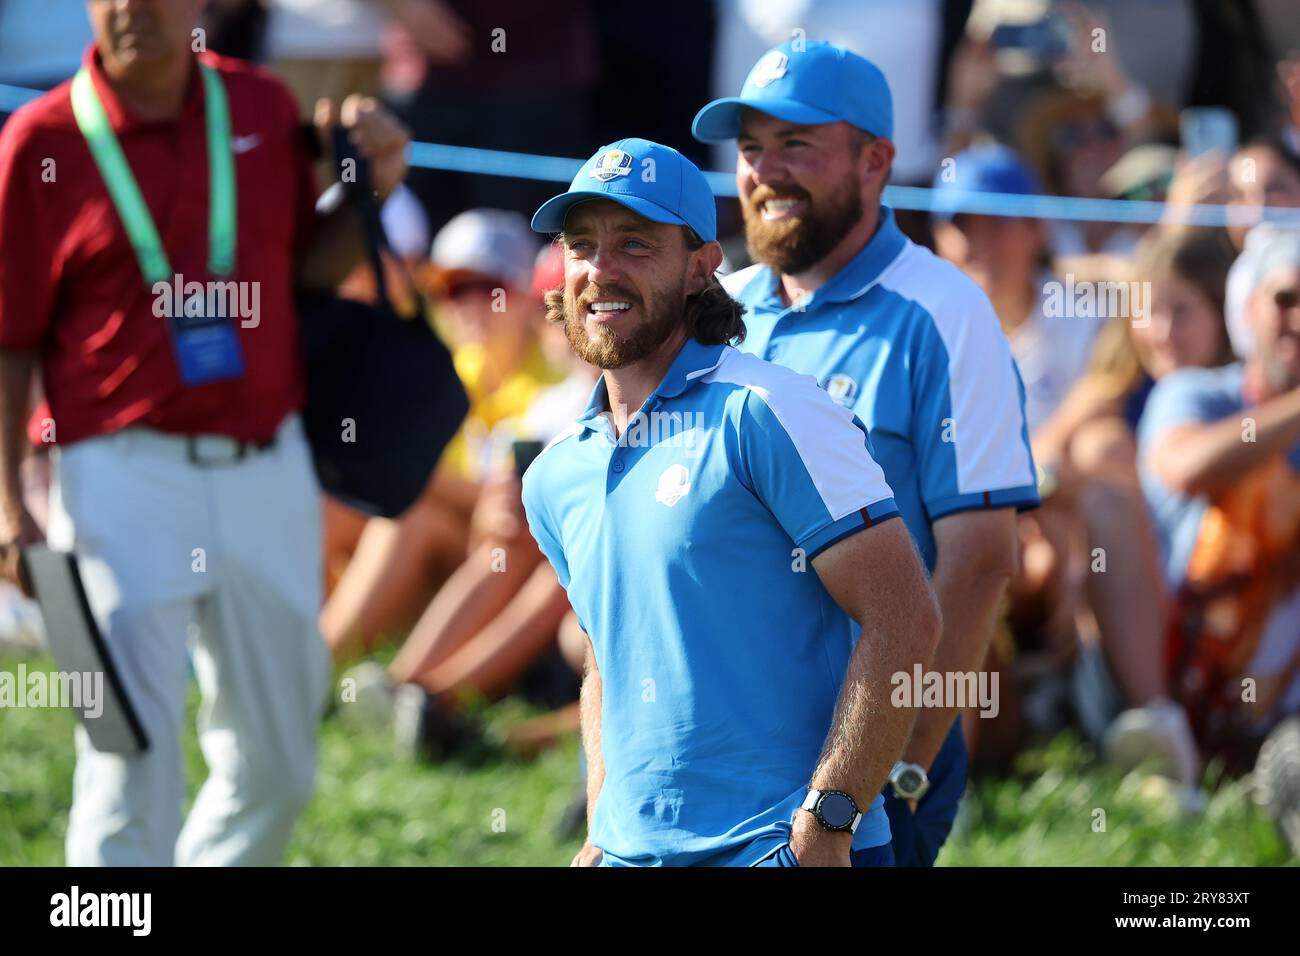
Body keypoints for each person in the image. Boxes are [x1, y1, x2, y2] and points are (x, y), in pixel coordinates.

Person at [0, 0, 409, 865]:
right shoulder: (38, 140)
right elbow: (8, 340)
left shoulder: (260, 104)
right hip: (110, 476)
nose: (131, 7)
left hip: (268, 464)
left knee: (279, 767)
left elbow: (305, 265)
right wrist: (6, 507)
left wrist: (374, 183)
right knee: (121, 766)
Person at [523, 138, 941, 867]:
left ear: (700, 267)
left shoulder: (771, 409)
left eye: (633, 244)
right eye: (581, 245)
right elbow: (604, 661)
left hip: (783, 850)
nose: (601, 269)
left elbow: (906, 617)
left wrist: (830, 817)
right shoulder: (554, 474)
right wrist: (598, 827)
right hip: (629, 853)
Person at [694, 40, 1036, 867]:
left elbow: (982, 560)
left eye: (797, 145)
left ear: (878, 161)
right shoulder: (717, 311)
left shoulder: (945, 312)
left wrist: (904, 760)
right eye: (749, 149)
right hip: (725, 749)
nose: (764, 171)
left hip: (867, 762)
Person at [1137, 226, 1300, 847]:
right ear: (1246, 309)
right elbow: (1189, 467)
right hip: (1177, 678)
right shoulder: (1196, 393)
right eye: (1286, 299)